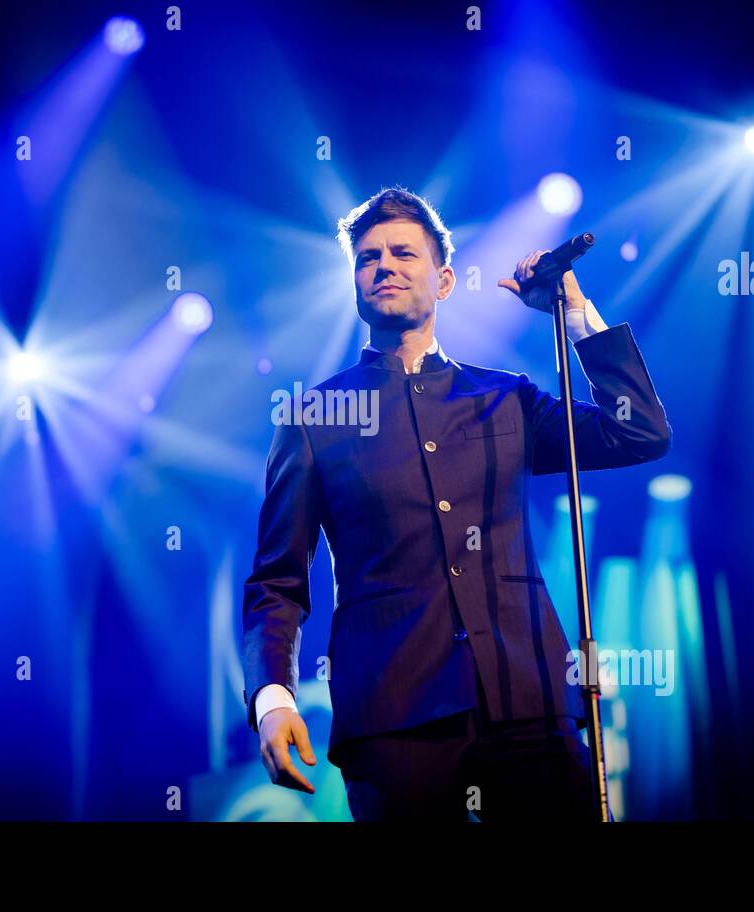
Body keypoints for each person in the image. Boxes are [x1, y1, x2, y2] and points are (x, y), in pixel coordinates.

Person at [241, 187, 671, 821]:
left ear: (443, 281)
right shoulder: (314, 417)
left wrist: (575, 313)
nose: (383, 265)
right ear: (355, 285)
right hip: (395, 717)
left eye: (403, 253)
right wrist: (273, 697)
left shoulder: (506, 399)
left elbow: (637, 432)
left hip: (527, 699)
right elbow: (277, 581)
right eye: (368, 257)